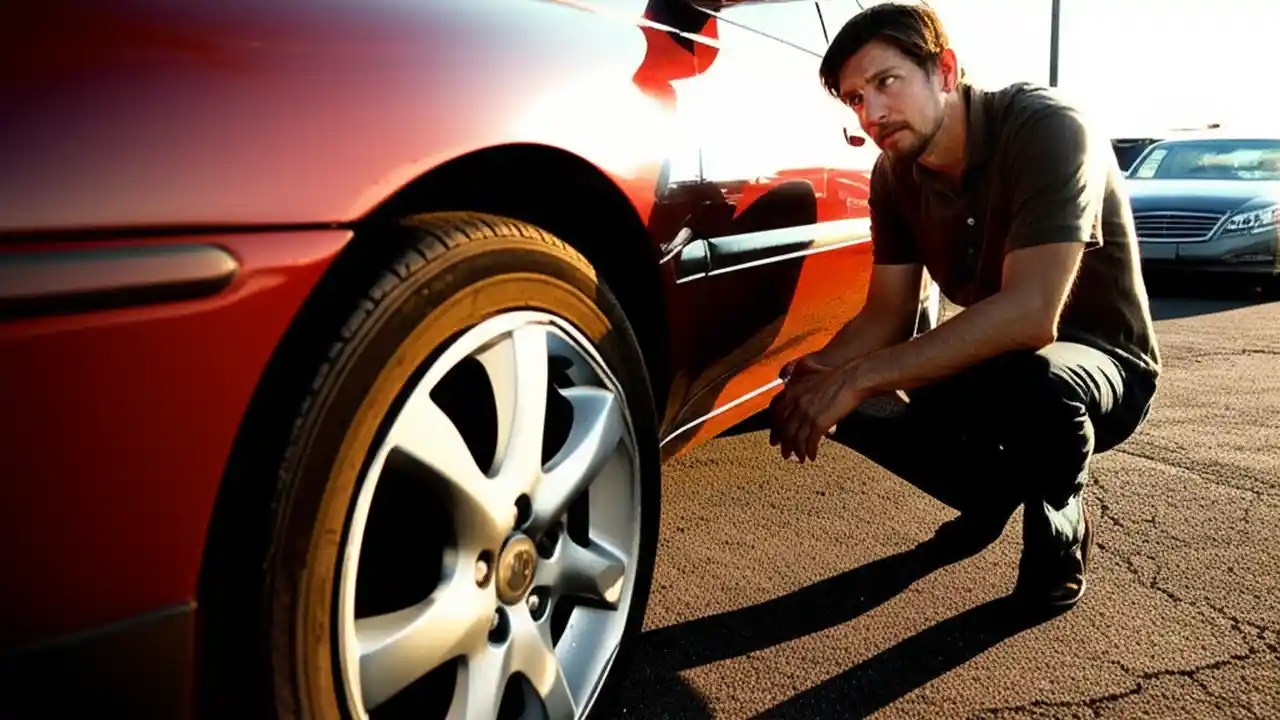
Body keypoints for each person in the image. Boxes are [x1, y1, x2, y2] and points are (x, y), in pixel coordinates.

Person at [768, 2, 1160, 610]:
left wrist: (857, 376)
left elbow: (1032, 314)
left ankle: (1059, 517)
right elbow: (887, 314)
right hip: (993, 360)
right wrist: (819, 375)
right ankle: (990, 493)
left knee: (1037, 382)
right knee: (838, 396)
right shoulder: (894, 173)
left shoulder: (1048, 128)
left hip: (1102, 364)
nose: (871, 113)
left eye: (885, 83)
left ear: (945, 71)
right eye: (854, 99)